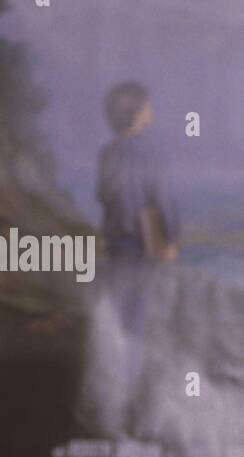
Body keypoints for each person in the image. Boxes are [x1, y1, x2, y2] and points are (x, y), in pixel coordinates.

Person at [96, 81, 181, 428]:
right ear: (137, 114)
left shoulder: (107, 153)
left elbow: (104, 197)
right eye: (147, 106)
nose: (152, 111)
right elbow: (163, 201)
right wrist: (171, 240)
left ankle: (111, 405)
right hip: (143, 250)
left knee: (117, 328)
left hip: (114, 248)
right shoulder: (151, 154)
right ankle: (132, 411)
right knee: (139, 329)